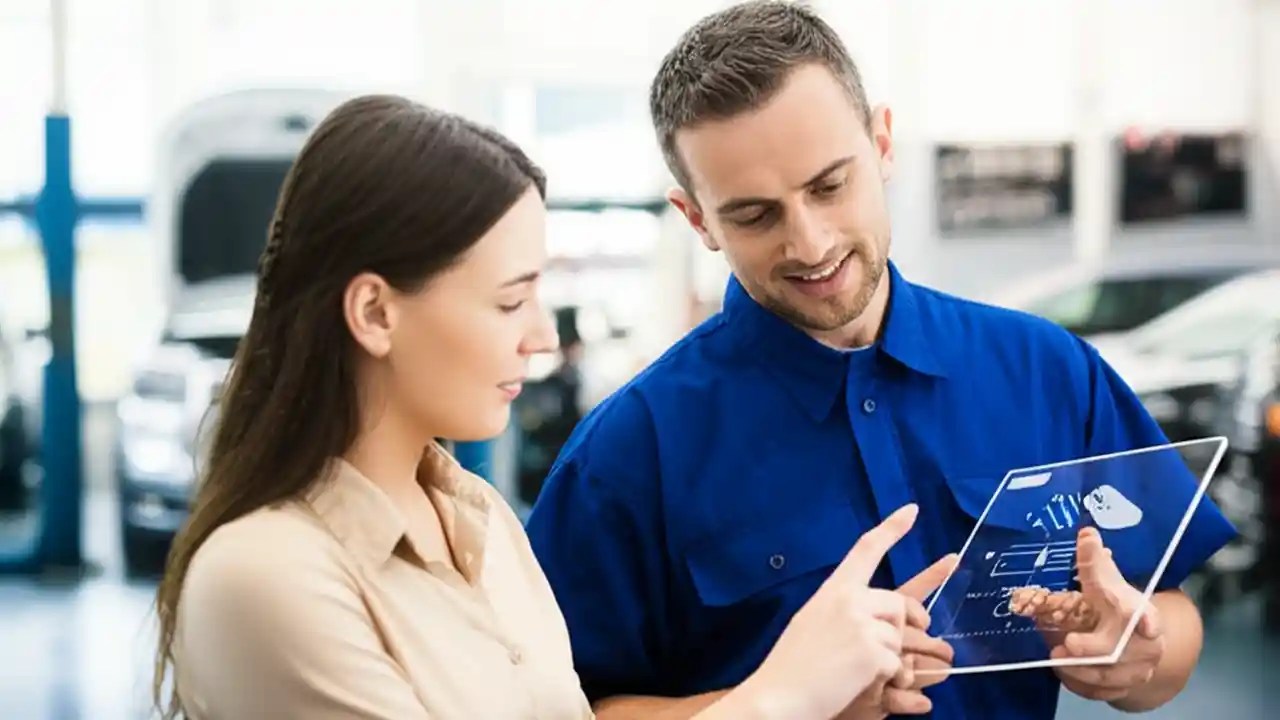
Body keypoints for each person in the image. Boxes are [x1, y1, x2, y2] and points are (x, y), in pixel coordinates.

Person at [524, 2, 1238, 719]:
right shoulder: (626, 455)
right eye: (754, 215)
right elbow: (571, 710)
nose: (809, 242)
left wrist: (1138, 656)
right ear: (697, 219)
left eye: (829, 186)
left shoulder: (1047, 371)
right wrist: (787, 705)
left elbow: (1170, 615)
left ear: (883, 142)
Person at [150, 93, 953, 720]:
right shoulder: (263, 580)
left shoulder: (483, 523)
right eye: (509, 302)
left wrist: (811, 698)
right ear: (375, 313)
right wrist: (779, 695)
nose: (540, 339)